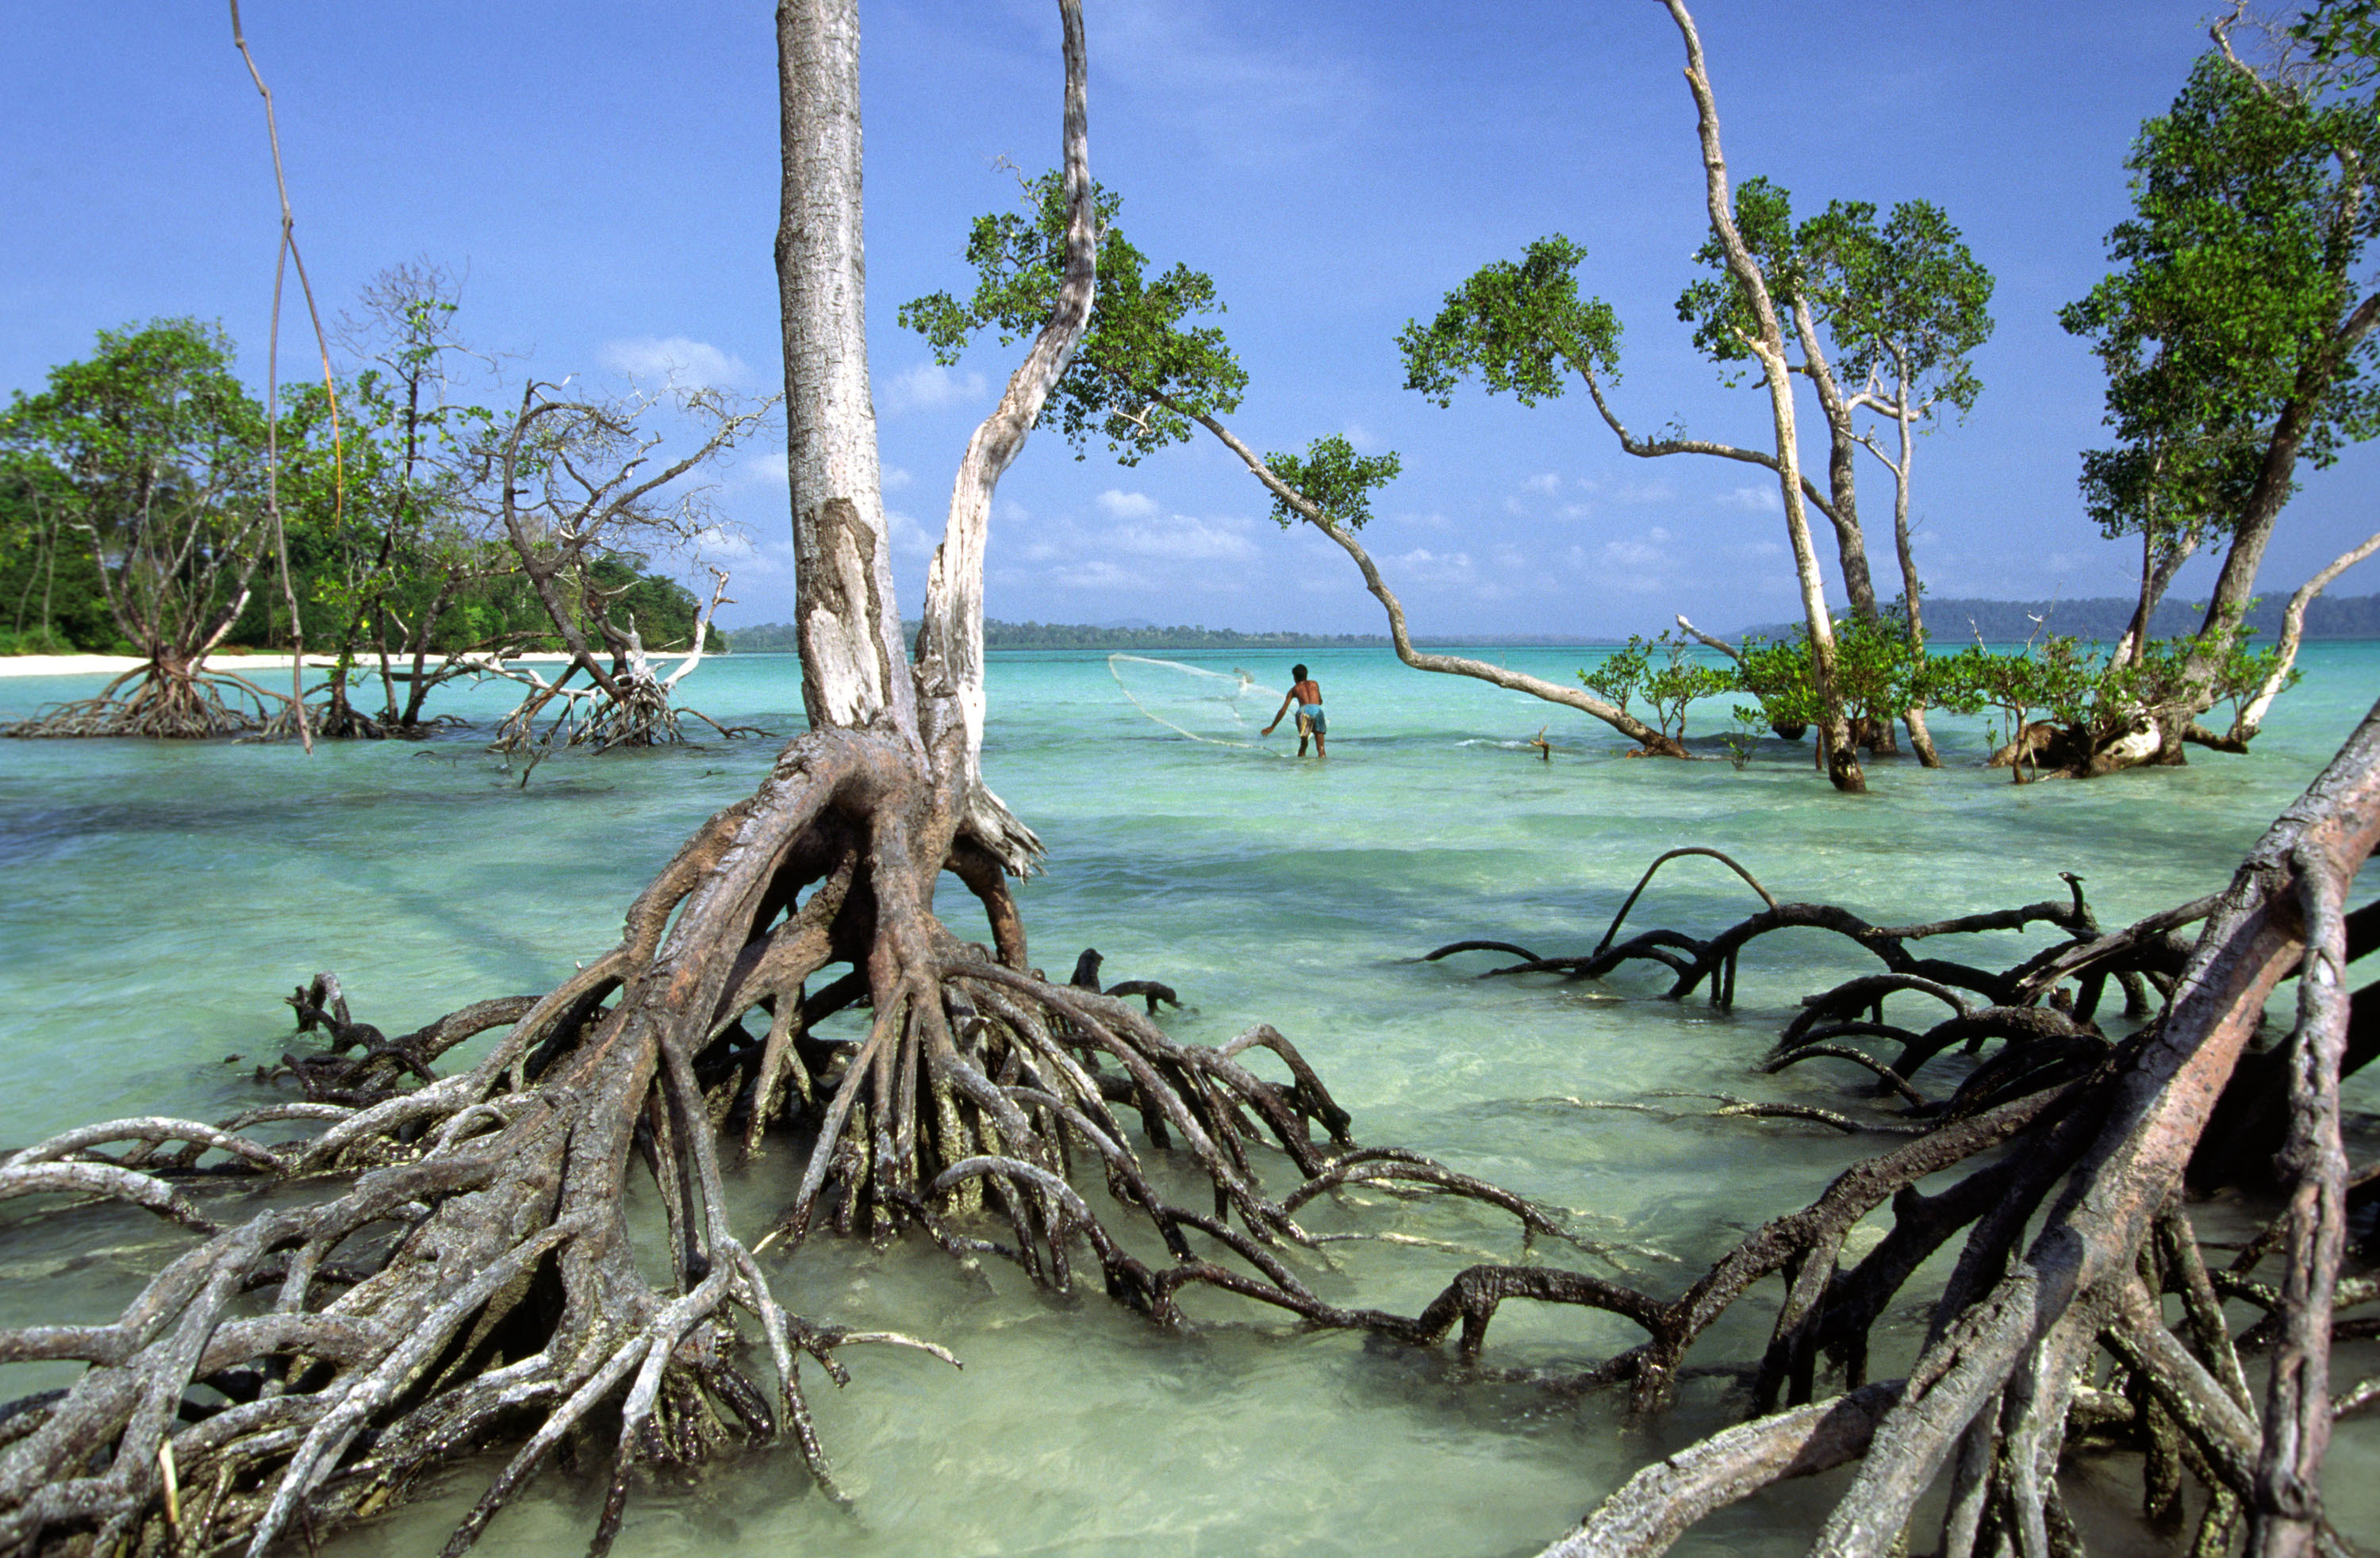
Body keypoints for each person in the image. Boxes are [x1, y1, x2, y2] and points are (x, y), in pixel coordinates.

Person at [1261, 663, 1326, 756]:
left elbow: (1283, 710)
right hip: (1317, 711)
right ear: (1306, 675)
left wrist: (1272, 727)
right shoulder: (1315, 684)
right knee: (1321, 748)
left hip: (1303, 712)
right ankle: (1323, 768)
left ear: (1294, 677)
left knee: (1304, 744)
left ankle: (1301, 768)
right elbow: (1320, 701)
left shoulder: (1294, 689)